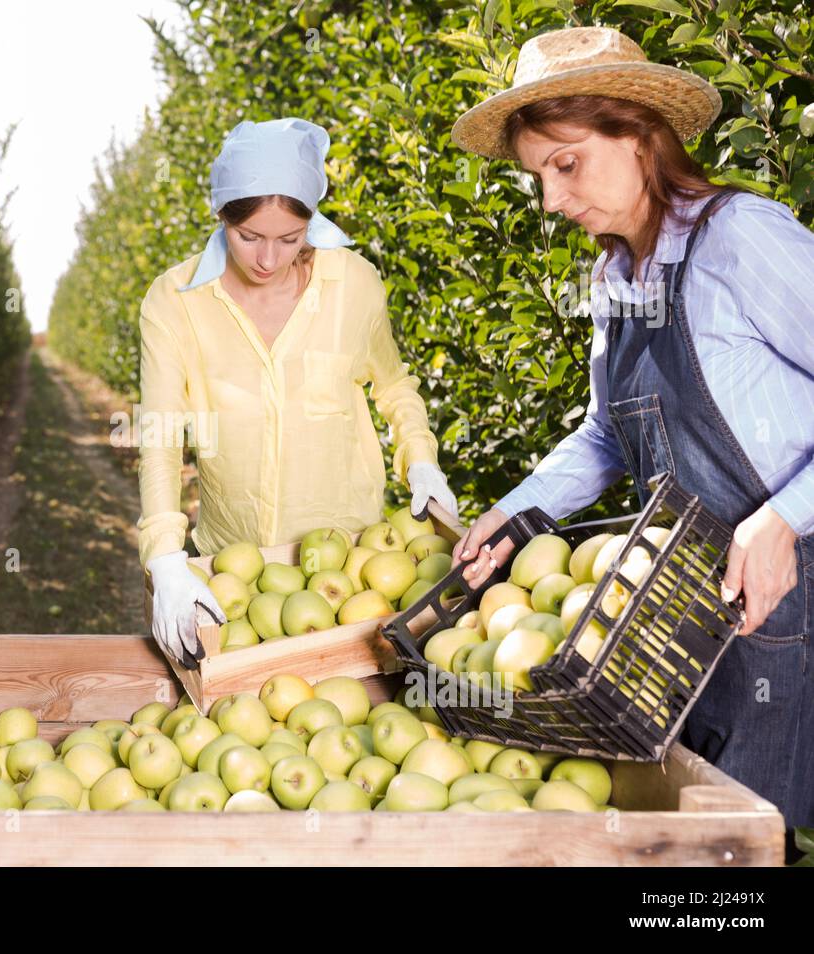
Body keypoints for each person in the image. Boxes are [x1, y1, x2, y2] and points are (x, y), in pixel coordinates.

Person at [450, 26, 814, 843]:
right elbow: (606, 436)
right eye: (536, 176)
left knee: (748, 849)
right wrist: (518, 513)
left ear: (640, 135)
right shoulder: (616, 280)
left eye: (565, 163)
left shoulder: (739, 239)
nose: (549, 199)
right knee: (691, 844)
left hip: (789, 616)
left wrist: (788, 516)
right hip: (679, 623)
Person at [139, 117, 457, 670]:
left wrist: (422, 461)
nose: (268, 259)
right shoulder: (174, 301)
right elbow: (162, 433)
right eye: (249, 237)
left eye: (290, 239)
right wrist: (165, 554)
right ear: (220, 216)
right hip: (231, 569)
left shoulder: (354, 284)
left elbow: (393, 385)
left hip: (354, 569)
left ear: (312, 222)